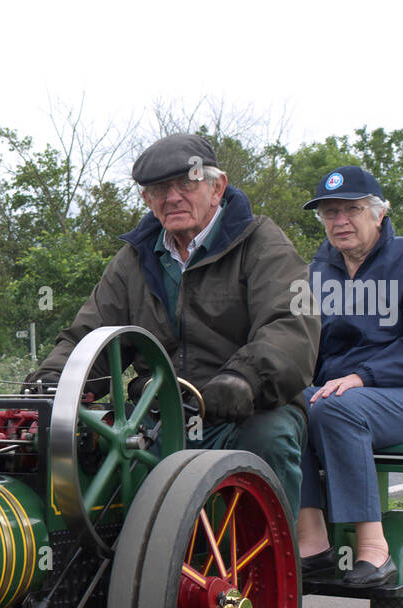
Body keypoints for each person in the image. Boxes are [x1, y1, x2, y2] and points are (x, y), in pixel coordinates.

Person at [29, 133, 318, 518]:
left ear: (218, 187)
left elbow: (290, 326)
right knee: (89, 451)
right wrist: (52, 382)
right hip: (161, 412)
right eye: (158, 189)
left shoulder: (263, 244)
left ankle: (263, 573)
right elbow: (90, 337)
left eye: (187, 183)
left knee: (269, 442)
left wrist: (242, 380)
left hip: (249, 408)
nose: (173, 197)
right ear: (147, 200)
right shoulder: (134, 259)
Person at [296, 166, 403, 586]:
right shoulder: (312, 274)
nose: (339, 221)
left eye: (351, 209)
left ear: (378, 213)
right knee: (285, 405)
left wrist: (363, 376)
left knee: (336, 407)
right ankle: (312, 542)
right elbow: (302, 346)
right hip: (346, 396)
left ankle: (375, 550)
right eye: (329, 213)